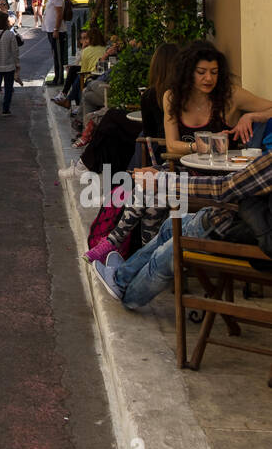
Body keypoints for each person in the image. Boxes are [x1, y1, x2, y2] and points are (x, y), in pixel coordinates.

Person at [93, 153, 272, 309]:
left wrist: (163, 181)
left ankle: (126, 291)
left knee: (169, 251)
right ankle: (122, 275)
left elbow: (222, 188)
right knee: (169, 227)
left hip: (237, 233)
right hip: (247, 229)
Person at [163, 40, 272, 157]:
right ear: (187, 73)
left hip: (225, 170)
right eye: (201, 72)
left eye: (214, 72)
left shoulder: (231, 95)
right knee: (144, 173)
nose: (209, 78)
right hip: (185, 168)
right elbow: (171, 145)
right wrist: (199, 146)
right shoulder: (172, 97)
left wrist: (251, 116)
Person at [53, 25, 106, 108]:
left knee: (77, 77)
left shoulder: (87, 51)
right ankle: (69, 100)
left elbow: (83, 70)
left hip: (92, 76)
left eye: (87, 38)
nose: (85, 40)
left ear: (90, 39)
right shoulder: (105, 48)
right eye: (83, 38)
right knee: (75, 72)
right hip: (99, 74)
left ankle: (69, 100)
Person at [42, 0, 66, 85]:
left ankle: (60, 79)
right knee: (55, 55)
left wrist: (56, 29)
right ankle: (57, 78)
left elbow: (59, 14)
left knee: (58, 56)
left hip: (57, 31)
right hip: (51, 30)